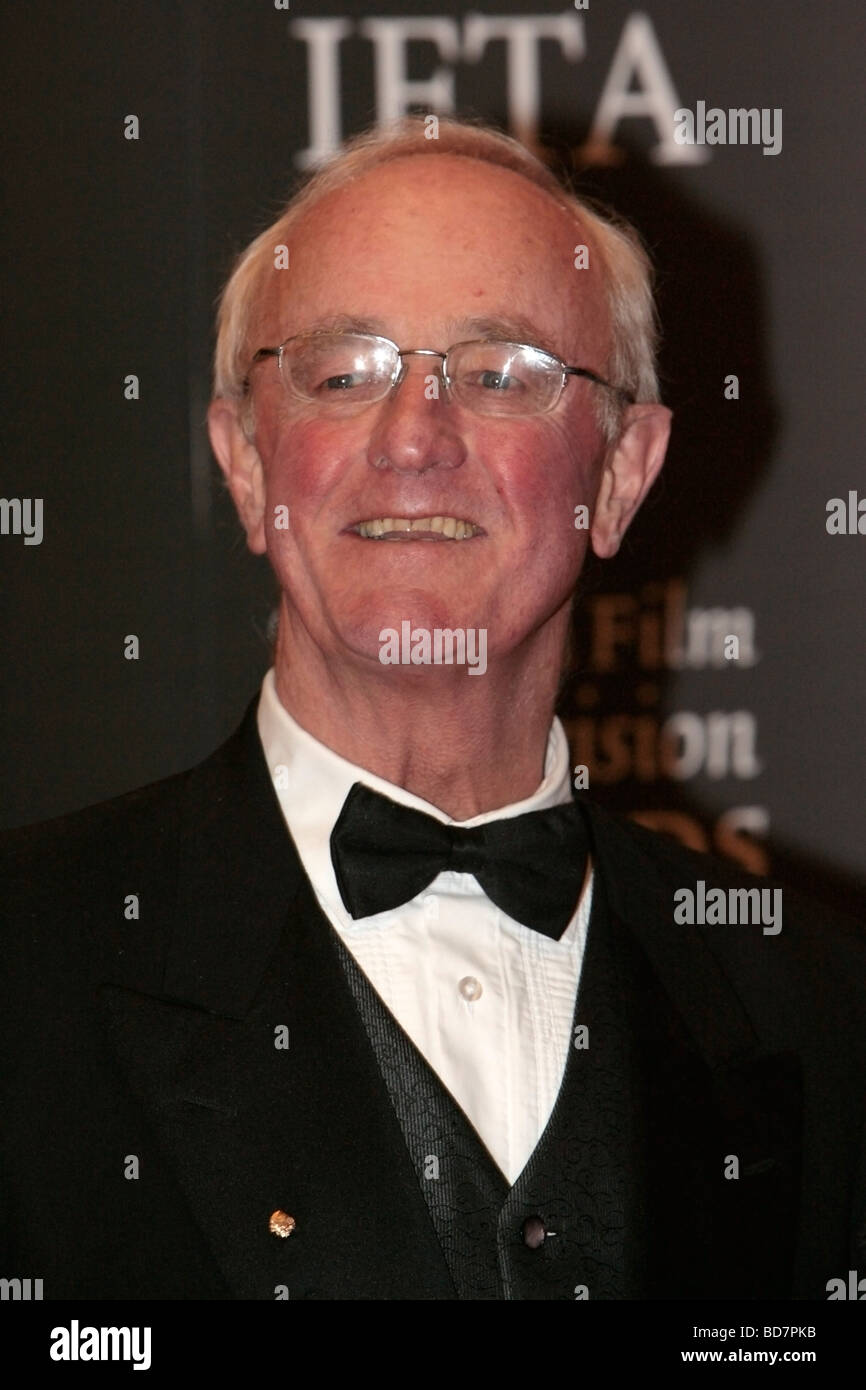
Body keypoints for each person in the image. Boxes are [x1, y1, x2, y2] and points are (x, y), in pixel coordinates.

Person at [1, 115, 864, 1302]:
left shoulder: (822, 1014)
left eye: (498, 373)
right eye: (342, 370)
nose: (412, 438)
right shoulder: (26, 967)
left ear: (617, 473)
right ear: (247, 465)